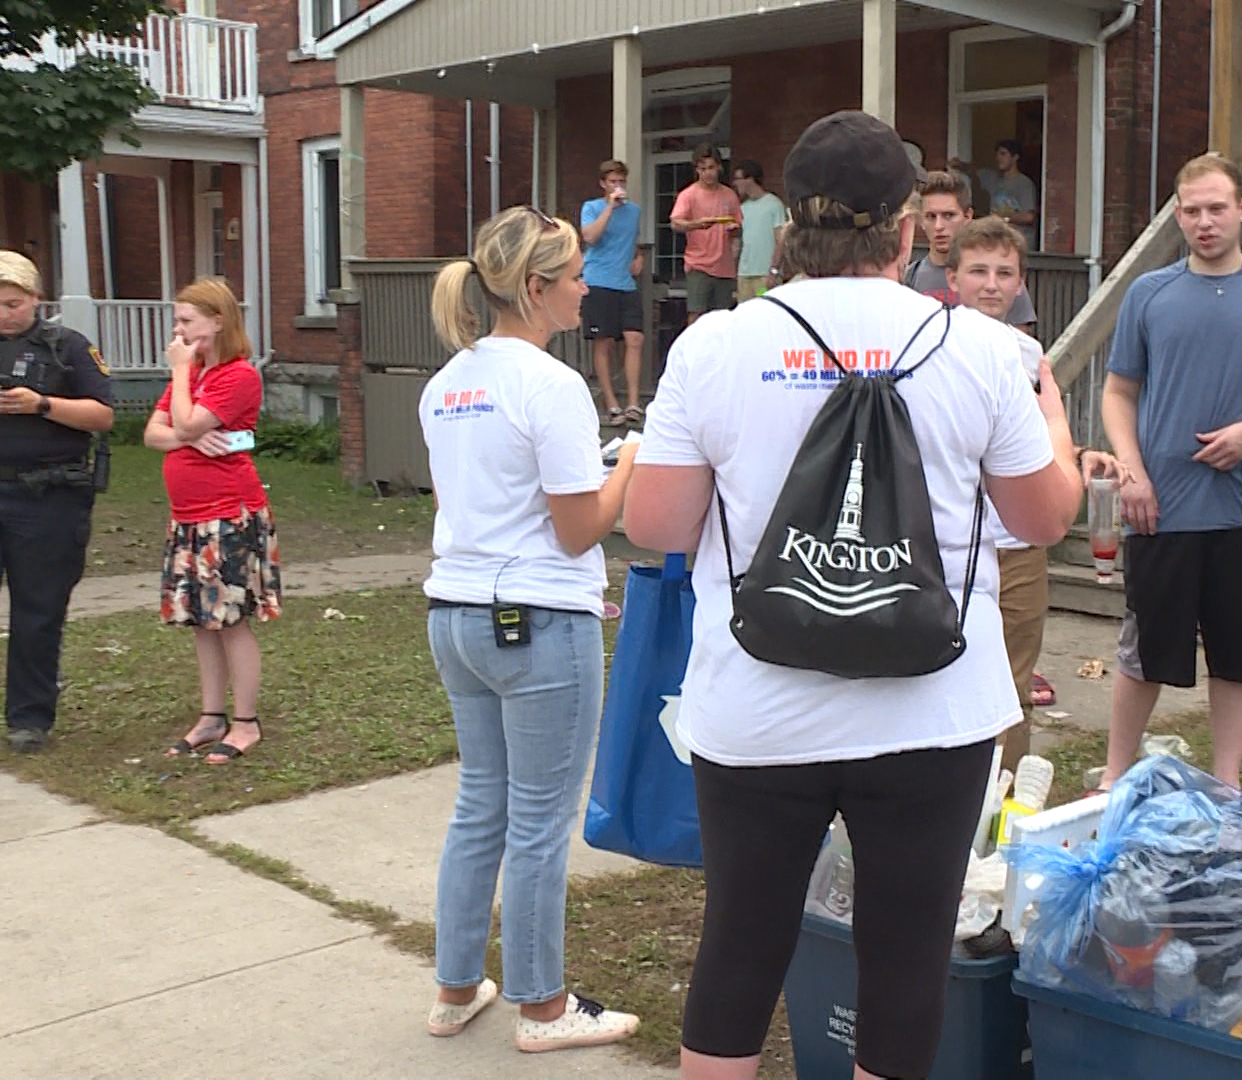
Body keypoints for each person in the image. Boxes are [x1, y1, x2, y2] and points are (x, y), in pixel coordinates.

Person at [625, 110, 1082, 1080]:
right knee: (907, 952)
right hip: (933, 703)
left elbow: (658, 527)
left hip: (757, 702)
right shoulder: (986, 350)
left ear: (787, 225)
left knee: (741, 941)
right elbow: (1043, 520)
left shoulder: (713, 344)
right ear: (912, 229)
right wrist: (1056, 416)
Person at [417, 205, 642, 1051]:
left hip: (457, 613)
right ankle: (543, 1008)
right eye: (578, 276)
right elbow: (580, 528)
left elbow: (458, 503)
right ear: (538, 288)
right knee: (541, 820)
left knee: (482, 803)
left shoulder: (449, 383)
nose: (590, 289)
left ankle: (453, 987)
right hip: (541, 619)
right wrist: (631, 463)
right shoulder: (552, 385)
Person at [1095, 154, 1242, 792]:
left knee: (1238, 653)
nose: (1204, 222)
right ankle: (1115, 775)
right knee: (1145, 650)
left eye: (1216, 209)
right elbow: (1118, 393)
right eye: (1191, 211)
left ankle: (1227, 782)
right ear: (1177, 215)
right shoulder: (1150, 292)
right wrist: (1132, 472)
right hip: (1161, 504)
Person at [944, 216, 1126, 761]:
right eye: (978, 271)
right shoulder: (929, 346)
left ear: (1021, 282)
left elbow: (1030, 444)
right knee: (943, 687)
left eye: (1005, 273)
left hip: (1019, 546)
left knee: (1013, 689)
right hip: (951, 542)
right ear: (952, 278)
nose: (992, 284)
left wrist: (1076, 453)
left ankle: (1006, 815)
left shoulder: (1028, 355)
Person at [146, 278, 281, 765]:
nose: (177, 331)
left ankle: (245, 721)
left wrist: (181, 381)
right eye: (177, 320)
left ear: (218, 320)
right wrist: (185, 434)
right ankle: (211, 716)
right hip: (189, 520)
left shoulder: (236, 375)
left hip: (227, 516)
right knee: (203, 622)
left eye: (187, 321)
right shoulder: (195, 372)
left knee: (230, 621)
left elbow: (180, 423)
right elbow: (152, 433)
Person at [0, 251, 114, 755]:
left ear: (35, 300)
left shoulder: (67, 347)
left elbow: (102, 415)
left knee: (38, 610)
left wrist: (40, 404)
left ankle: (29, 718)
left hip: (45, 497)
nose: (4, 313)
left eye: (13, 303)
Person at [907, 170, 1038, 335]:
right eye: (931, 216)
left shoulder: (997, 275)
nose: (939, 226)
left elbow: (1020, 341)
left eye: (949, 215)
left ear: (967, 216)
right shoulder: (911, 276)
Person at [579, 159, 647, 425]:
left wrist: (638, 256)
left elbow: (632, 239)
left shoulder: (635, 211)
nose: (618, 186)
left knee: (634, 340)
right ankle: (611, 402)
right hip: (598, 281)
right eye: (613, 182)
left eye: (621, 181)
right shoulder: (592, 207)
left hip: (625, 283)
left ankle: (633, 402)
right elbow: (590, 237)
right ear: (603, 184)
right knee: (604, 342)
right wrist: (610, 207)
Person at [671, 144, 744, 324]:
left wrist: (734, 230)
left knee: (723, 318)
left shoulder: (729, 195)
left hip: (725, 266)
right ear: (696, 170)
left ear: (719, 167)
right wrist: (695, 225)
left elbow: (739, 227)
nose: (707, 173)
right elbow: (675, 223)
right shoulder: (688, 195)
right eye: (702, 169)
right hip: (698, 264)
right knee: (697, 313)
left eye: (711, 168)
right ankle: (693, 351)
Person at [730, 160, 785, 303]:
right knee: (745, 316)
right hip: (744, 277)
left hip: (764, 277)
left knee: (765, 310)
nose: (735, 183)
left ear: (750, 179)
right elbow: (739, 241)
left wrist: (774, 271)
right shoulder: (743, 208)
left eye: (738, 179)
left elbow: (781, 240)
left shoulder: (774, 204)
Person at [982, 139, 1039, 252]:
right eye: (997, 154)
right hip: (998, 244)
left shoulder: (1024, 183)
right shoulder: (995, 181)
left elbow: (1029, 216)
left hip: (1019, 245)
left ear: (1015, 157)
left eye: (1003, 154)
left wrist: (1004, 219)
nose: (998, 158)